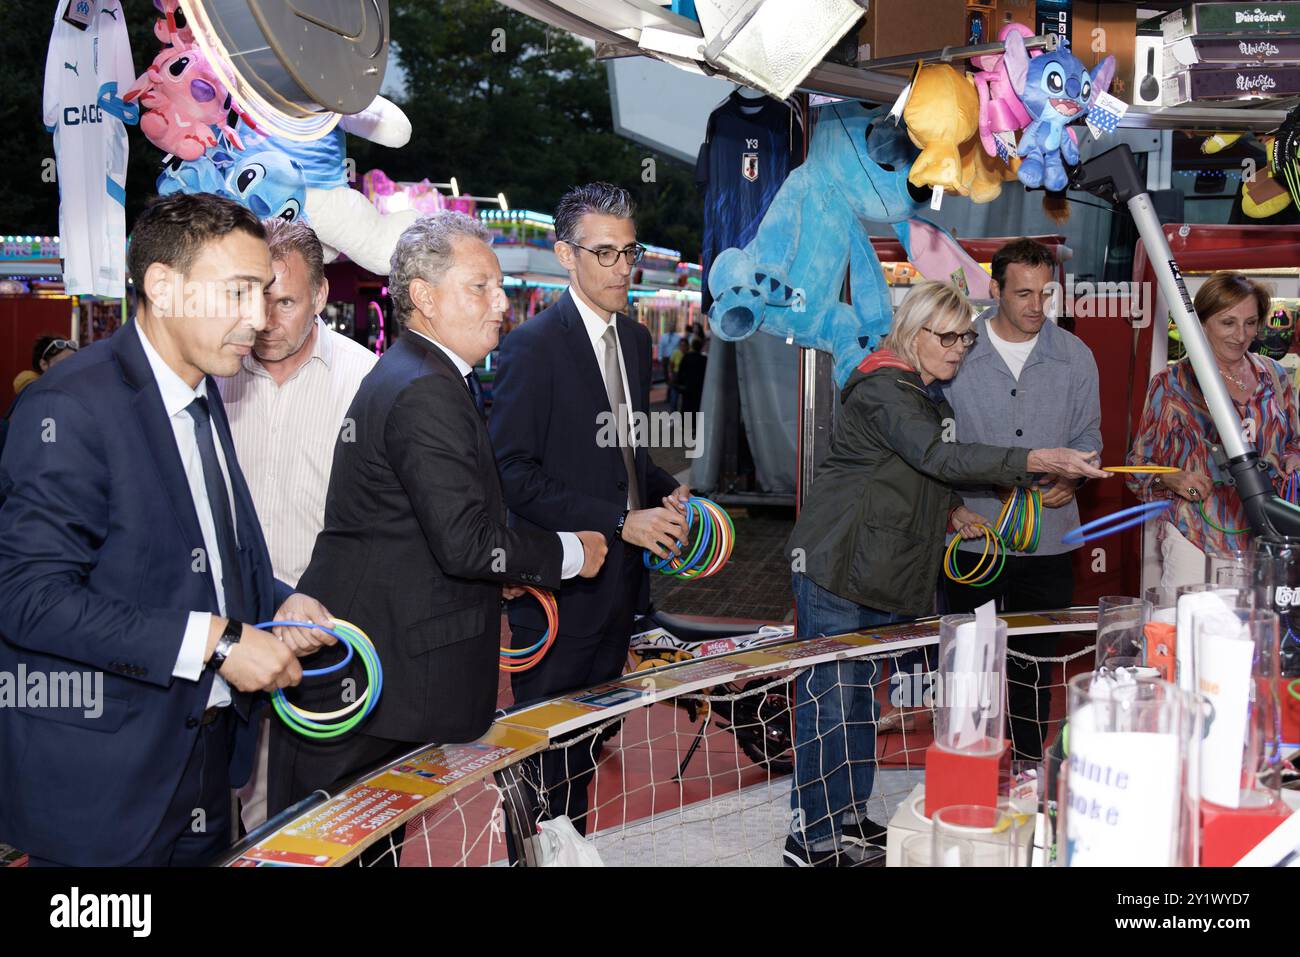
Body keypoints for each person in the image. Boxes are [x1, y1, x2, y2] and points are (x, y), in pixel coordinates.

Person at [0, 193, 331, 866]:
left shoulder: (207, 389)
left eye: (265, 294)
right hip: (104, 787)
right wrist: (215, 640)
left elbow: (207, 553)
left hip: (204, 762)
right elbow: (28, 598)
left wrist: (277, 599)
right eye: (238, 292)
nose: (258, 317)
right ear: (161, 286)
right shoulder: (71, 406)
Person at [267, 212, 609, 831]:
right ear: (423, 297)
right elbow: (466, 543)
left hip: (379, 668)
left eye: (498, 286)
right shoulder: (424, 384)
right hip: (376, 673)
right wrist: (572, 554)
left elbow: (429, 526)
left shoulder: (424, 372)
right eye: (480, 286)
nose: (501, 303)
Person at [784, 280, 1108, 867]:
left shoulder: (921, 391)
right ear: (914, 331)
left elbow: (915, 473)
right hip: (836, 565)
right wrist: (1036, 458)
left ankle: (847, 818)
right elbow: (936, 457)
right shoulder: (888, 388)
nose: (960, 348)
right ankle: (811, 839)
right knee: (831, 703)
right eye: (949, 336)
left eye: (965, 336)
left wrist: (954, 511)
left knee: (857, 702)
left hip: (869, 565)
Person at [490, 182, 689, 836]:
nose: (621, 268)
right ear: (565, 256)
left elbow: (629, 457)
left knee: (587, 751)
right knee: (544, 762)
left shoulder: (634, 340)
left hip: (622, 587)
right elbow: (511, 472)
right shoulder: (531, 346)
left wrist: (669, 491)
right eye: (603, 253)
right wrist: (617, 518)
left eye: (628, 252)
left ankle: (569, 852)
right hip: (556, 595)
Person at [217, 219, 378, 832]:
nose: (265, 319)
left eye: (284, 300)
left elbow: (383, 524)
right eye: (254, 296)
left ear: (320, 297)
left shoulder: (366, 382)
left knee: (321, 821)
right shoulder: (214, 374)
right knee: (223, 812)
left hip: (331, 638)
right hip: (230, 634)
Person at [940, 238, 1102, 763]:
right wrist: (950, 508)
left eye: (1045, 293)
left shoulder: (1076, 356)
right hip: (970, 538)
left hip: (1050, 538)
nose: (1037, 306)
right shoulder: (956, 350)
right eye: (1023, 293)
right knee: (967, 662)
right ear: (994, 288)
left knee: (1035, 666)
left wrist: (1075, 479)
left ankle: (1032, 770)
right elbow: (930, 446)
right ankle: (964, 768)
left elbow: (1089, 437)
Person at [1128, 271, 1300, 588]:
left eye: (1250, 322)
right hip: (1195, 542)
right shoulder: (1172, 385)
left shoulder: (1274, 377)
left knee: (1254, 633)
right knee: (1190, 631)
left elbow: (1292, 444)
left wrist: (1292, 459)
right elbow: (1137, 467)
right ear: (1202, 323)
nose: (1241, 334)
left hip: (1264, 538)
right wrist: (1171, 477)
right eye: (1228, 322)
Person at [678, 335, 708, 414]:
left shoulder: (686, 357)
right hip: (699, 388)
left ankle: (687, 424)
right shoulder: (704, 359)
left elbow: (680, 372)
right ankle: (697, 425)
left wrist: (679, 383)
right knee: (697, 408)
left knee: (687, 408)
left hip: (687, 388)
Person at [666, 334, 687, 412]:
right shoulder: (675, 353)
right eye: (681, 345)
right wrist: (670, 373)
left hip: (685, 377)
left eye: (684, 345)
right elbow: (671, 364)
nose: (683, 347)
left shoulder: (688, 354)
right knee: (674, 398)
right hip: (676, 376)